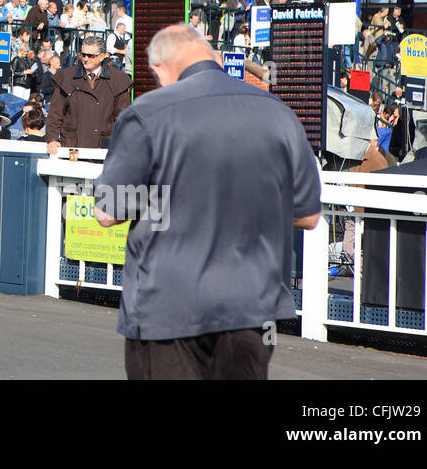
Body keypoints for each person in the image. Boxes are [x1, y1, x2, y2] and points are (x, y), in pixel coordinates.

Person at [96, 23, 321, 380]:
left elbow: (108, 211)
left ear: (159, 68)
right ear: (214, 58)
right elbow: (308, 215)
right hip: (252, 305)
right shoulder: (280, 114)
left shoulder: (148, 113)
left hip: (167, 303)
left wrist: (169, 197)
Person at [46, 36, 131, 153]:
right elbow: (55, 113)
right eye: (83, 55)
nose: (85, 59)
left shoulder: (118, 80)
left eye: (90, 55)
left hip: (104, 149)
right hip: (72, 147)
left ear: (102, 56)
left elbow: (123, 118)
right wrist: (52, 139)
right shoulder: (66, 78)